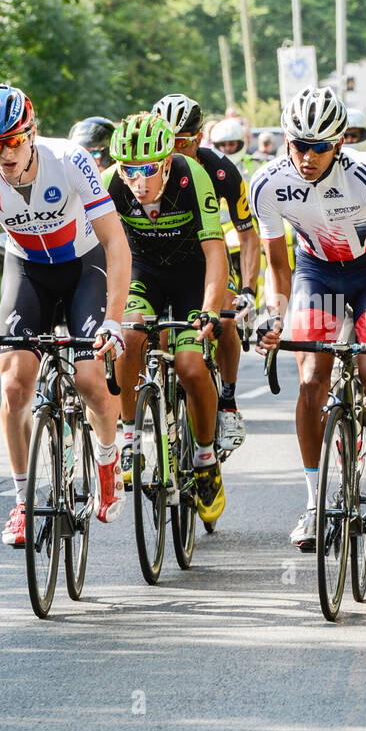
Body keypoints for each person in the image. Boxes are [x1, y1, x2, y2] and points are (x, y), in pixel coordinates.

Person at [0, 84, 130, 547]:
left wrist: (113, 319)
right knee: (14, 384)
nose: (6, 153)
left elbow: (115, 243)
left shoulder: (71, 159)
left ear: (31, 133)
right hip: (27, 270)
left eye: (13, 140)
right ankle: (22, 501)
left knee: (92, 380)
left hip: (83, 266)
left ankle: (108, 461)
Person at [252, 86, 366, 550]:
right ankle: (313, 504)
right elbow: (277, 267)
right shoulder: (267, 183)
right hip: (317, 274)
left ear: (340, 144)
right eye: (299, 145)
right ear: (287, 141)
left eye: (320, 147)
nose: (307, 157)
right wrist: (273, 316)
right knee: (311, 381)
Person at [103, 110, 229, 524]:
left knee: (192, 367)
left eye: (148, 171)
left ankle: (206, 458)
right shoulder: (111, 187)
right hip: (143, 274)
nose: (138, 182)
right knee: (128, 336)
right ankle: (128, 434)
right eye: (129, 171)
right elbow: (97, 255)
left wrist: (211, 309)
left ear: (166, 161)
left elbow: (215, 251)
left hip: (193, 276)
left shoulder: (190, 174)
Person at [152, 92, 260, 452]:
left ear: (198, 139)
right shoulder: (149, 172)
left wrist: (248, 289)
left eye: (180, 142)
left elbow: (247, 236)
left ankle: (227, 401)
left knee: (226, 320)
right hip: (162, 264)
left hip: (209, 261)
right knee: (159, 336)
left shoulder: (221, 170)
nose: (171, 150)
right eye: (165, 141)